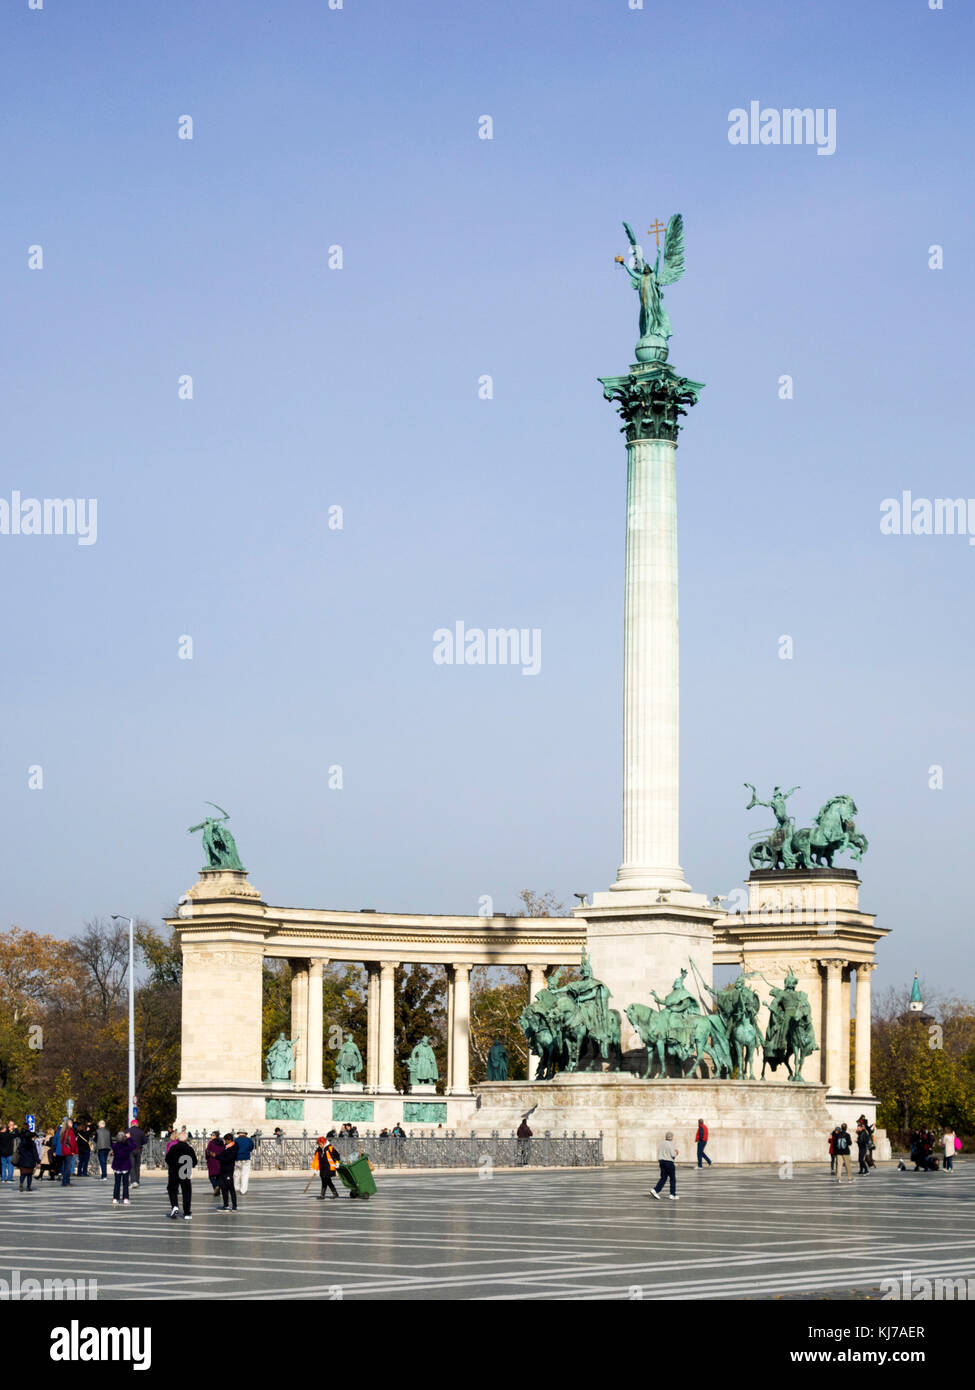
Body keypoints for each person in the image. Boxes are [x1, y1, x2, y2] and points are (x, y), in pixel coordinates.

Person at [165, 1132, 197, 1219]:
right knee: (186, 1192)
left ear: (178, 1139)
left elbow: (167, 1159)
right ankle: (187, 1213)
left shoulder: (173, 1148)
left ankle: (174, 1206)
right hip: (185, 1173)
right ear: (186, 1139)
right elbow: (194, 1162)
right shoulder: (189, 1149)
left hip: (174, 1172)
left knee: (172, 1189)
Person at [650, 1131, 679, 1200]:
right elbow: (673, 1154)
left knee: (663, 1178)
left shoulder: (661, 1144)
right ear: (671, 1137)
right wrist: (676, 1153)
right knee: (672, 1179)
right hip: (669, 1162)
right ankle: (672, 1194)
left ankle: (655, 1190)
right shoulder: (671, 1144)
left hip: (661, 1162)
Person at [111, 1131, 135, 1206]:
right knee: (125, 1183)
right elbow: (134, 1145)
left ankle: (115, 1198)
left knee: (117, 1183)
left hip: (117, 1166)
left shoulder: (114, 1146)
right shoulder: (127, 1146)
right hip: (125, 1166)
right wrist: (129, 1138)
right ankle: (125, 1198)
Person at [217, 1133, 238, 1211]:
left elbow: (228, 1159)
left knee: (230, 1188)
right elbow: (222, 1156)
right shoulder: (226, 1147)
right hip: (222, 1170)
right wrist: (216, 1156)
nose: (224, 1142)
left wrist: (216, 1156)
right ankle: (225, 1204)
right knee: (223, 1188)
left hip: (228, 1171)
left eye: (225, 1140)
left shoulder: (233, 1148)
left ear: (229, 1140)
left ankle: (234, 1205)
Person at [16, 1127, 38, 1192]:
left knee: (22, 1174)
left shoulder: (21, 1144)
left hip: (23, 1161)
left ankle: (21, 1183)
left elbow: (19, 1151)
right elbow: (35, 1153)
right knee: (29, 1175)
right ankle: (28, 1187)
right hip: (31, 1161)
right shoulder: (32, 1144)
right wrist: (38, 1160)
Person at [59, 1119, 79, 1186]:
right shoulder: (70, 1131)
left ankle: (64, 1181)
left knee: (65, 1167)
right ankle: (66, 1182)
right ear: (69, 1123)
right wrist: (73, 1151)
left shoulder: (63, 1131)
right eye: (72, 1123)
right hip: (69, 1151)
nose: (72, 1124)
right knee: (68, 1168)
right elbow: (72, 1142)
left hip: (64, 1151)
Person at [235, 1130, 254, 1195]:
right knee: (245, 1175)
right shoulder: (249, 1140)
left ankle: (236, 1187)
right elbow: (251, 1148)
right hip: (246, 1158)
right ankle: (243, 1190)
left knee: (236, 1174)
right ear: (245, 1134)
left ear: (239, 1134)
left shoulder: (236, 1140)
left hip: (237, 1159)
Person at [205, 1132, 224, 1196]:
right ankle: (217, 1189)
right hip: (220, 1161)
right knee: (218, 1176)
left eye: (212, 1135)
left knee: (211, 1176)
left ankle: (216, 1186)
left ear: (215, 1136)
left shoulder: (211, 1143)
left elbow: (207, 1151)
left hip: (212, 1161)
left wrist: (207, 1155)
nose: (211, 1136)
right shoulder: (222, 1143)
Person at [128, 1120, 146, 1187]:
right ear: (137, 1124)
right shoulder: (141, 1132)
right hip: (138, 1150)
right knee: (137, 1166)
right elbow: (145, 1141)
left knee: (131, 1166)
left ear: (131, 1124)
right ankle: (137, 1181)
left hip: (130, 1150)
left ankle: (133, 1181)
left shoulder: (127, 1131)